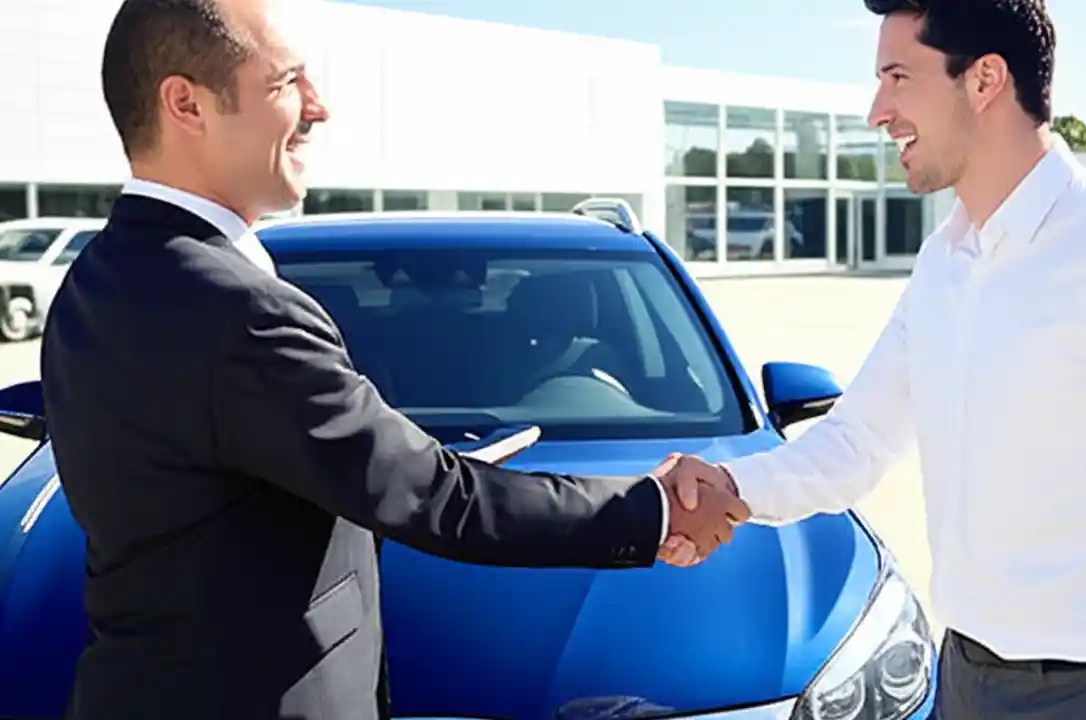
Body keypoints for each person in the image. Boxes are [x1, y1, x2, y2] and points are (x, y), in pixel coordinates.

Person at [39, 1, 747, 718]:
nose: (320, 107)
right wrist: (652, 509)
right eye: (286, 83)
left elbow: (223, 482)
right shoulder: (238, 311)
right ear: (186, 103)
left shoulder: (95, 282)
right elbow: (434, 498)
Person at [658, 1, 1086, 719]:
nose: (877, 112)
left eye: (898, 76)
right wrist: (727, 483)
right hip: (962, 678)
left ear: (985, 79)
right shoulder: (946, 261)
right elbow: (855, 442)